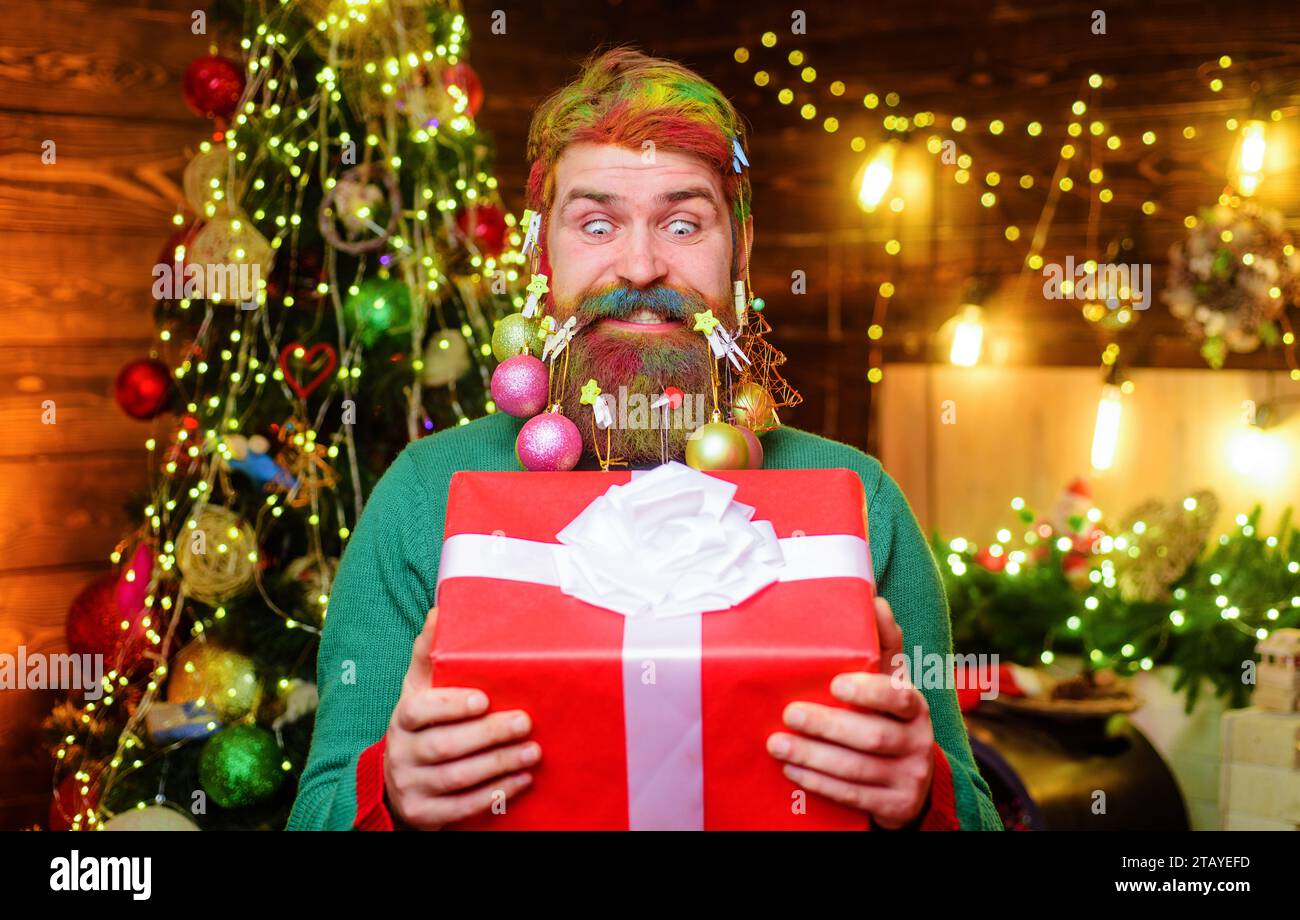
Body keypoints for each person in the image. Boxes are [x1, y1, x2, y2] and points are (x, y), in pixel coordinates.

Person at [287, 46, 1002, 831]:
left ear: (743, 251)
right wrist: (389, 791)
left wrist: (917, 799)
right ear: (540, 255)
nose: (639, 263)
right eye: (596, 223)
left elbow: (973, 814)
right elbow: (317, 811)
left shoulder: (859, 500)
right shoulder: (426, 493)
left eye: (684, 222)